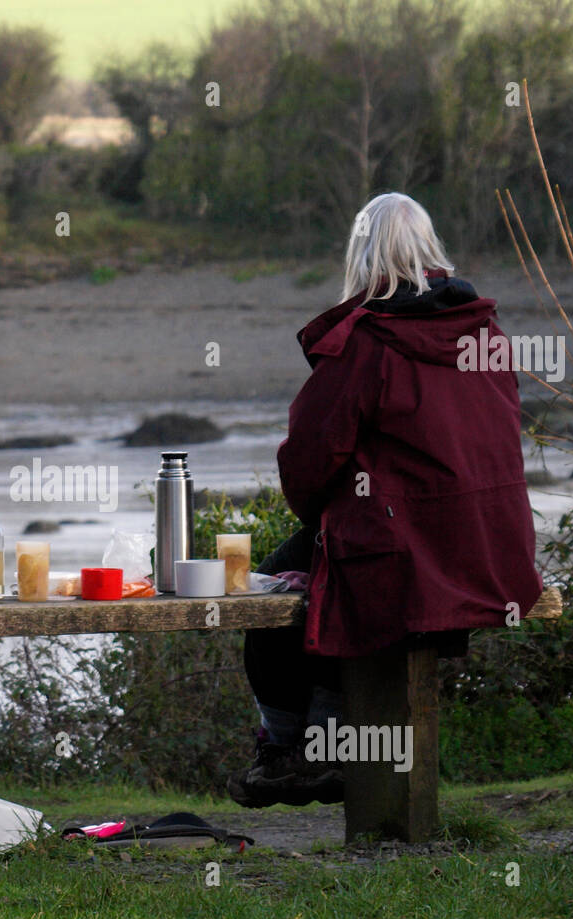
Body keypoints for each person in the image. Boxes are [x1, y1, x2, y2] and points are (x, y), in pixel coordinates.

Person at [227, 192, 542, 808]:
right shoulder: (488, 335)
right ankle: (321, 744)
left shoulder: (368, 343)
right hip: (490, 549)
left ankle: (292, 750)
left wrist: (321, 516)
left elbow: (308, 461)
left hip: (403, 549)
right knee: (324, 573)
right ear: (431, 251)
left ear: (361, 256)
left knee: (273, 592)